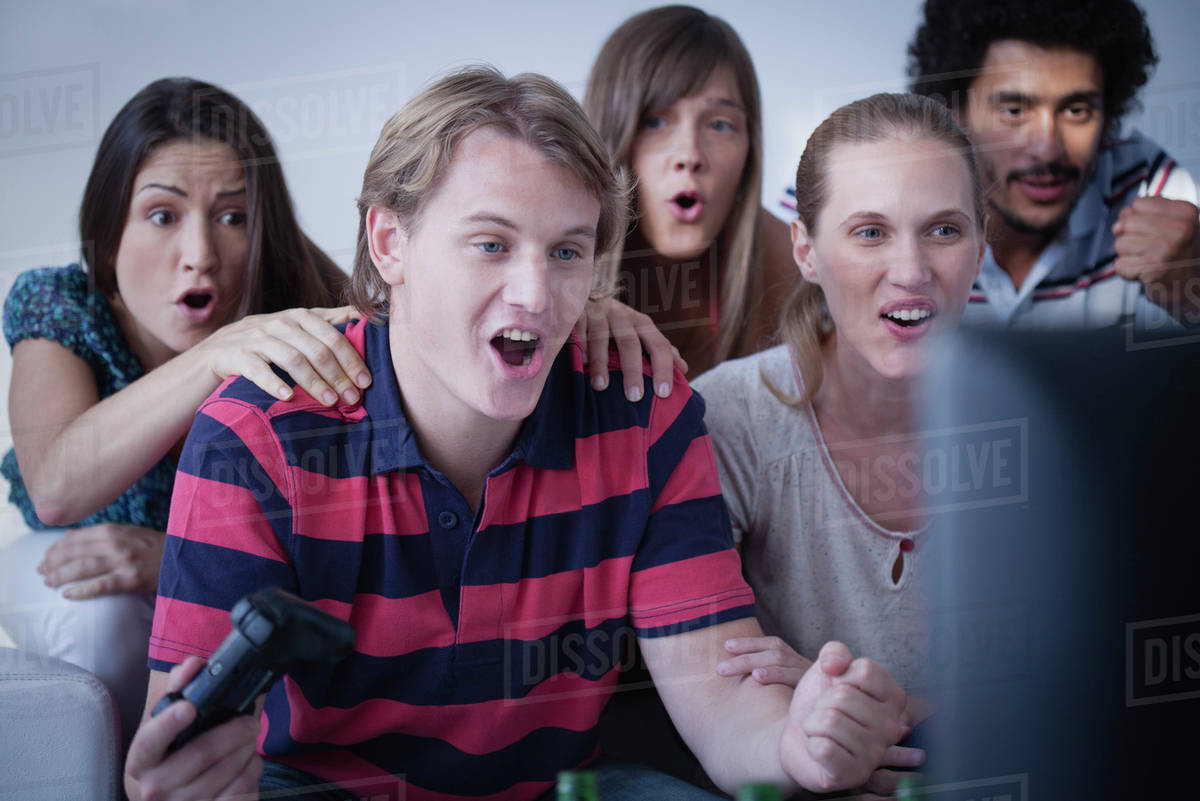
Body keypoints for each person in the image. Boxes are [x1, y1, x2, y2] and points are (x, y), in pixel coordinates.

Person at [123, 66, 920, 801]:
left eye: (567, 251)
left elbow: (719, 694)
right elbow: (191, 736)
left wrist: (797, 741)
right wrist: (185, 779)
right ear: (391, 243)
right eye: (491, 244)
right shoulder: (255, 434)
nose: (536, 294)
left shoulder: (644, 409)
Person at [0, 77, 371, 748]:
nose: (200, 254)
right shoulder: (61, 307)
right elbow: (54, 485)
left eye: (232, 217)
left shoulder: (303, 303)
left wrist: (174, 558)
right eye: (162, 215)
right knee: (102, 621)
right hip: (82, 554)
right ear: (108, 233)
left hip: (238, 569)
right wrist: (214, 356)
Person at [696, 93, 986, 784]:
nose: (911, 270)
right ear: (806, 249)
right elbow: (716, 694)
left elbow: (1078, 687)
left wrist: (873, 705)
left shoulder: (1045, 420)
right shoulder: (730, 417)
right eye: (870, 232)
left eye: (944, 230)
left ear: (983, 245)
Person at [907, 0, 1200, 329]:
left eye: (1076, 111)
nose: (1047, 151)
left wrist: (1191, 293)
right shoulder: (896, 212)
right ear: (954, 114)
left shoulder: (1148, 185)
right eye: (1014, 111)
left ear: (1108, 116)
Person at [581, 5, 797, 381]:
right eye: (655, 121)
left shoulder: (797, 273)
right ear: (609, 135)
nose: (690, 155)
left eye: (719, 125)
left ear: (749, 148)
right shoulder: (542, 267)